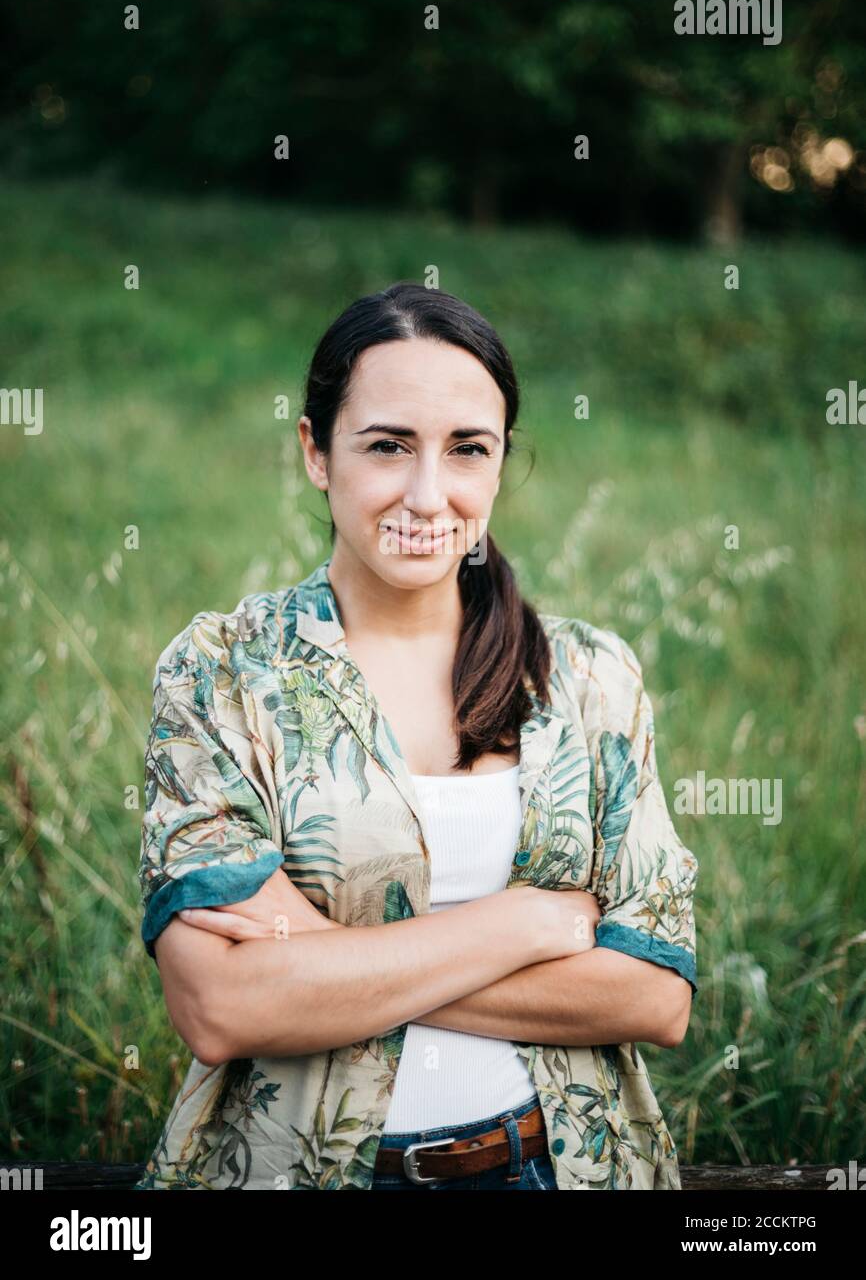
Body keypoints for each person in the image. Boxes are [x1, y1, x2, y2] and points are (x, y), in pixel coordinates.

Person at [135, 281, 699, 1191]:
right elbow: (222, 1004)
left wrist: (320, 959)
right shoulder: (223, 670)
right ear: (316, 452)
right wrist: (530, 924)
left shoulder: (591, 678)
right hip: (300, 1174)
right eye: (389, 445)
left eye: (468, 450)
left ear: (500, 459)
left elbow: (655, 993)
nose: (428, 494)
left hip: (555, 1168)